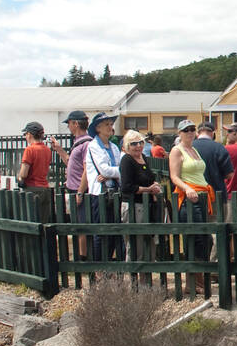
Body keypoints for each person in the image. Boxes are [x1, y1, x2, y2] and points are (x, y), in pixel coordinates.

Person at [167, 121, 211, 291]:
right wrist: (187, 189)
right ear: (180, 133)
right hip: (188, 199)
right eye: (186, 130)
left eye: (193, 129)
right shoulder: (177, 151)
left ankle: (199, 280)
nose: (190, 133)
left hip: (202, 196)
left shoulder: (195, 150)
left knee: (205, 240)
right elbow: (174, 176)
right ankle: (193, 282)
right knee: (194, 239)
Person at [84, 112, 125, 262]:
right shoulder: (93, 146)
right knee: (101, 232)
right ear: (98, 128)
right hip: (100, 194)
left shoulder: (113, 146)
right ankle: (100, 266)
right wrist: (115, 172)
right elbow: (105, 170)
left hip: (114, 192)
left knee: (116, 230)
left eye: (110, 124)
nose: (110, 127)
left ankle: (111, 264)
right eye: (106, 124)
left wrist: (112, 173)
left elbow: (116, 169)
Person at [51, 111, 91, 257]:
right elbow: (70, 163)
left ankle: (84, 258)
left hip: (81, 191)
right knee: (79, 225)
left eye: (69, 123)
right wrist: (60, 150)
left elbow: (87, 169)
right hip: (76, 190)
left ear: (76, 123)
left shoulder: (86, 143)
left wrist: (80, 191)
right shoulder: (79, 142)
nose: (68, 127)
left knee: (82, 227)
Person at [193, 122, 235, 227]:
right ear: (212, 134)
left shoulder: (189, 147)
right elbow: (229, 174)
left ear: (197, 133)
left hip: (193, 195)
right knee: (217, 230)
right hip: (216, 195)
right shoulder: (219, 148)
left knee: (197, 229)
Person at [117, 129, 163, 220]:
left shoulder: (143, 157)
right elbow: (126, 187)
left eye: (141, 142)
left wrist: (154, 185)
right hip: (133, 207)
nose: (138, 146)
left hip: (147, 205)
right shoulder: (127, 160)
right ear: (127, 146)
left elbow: (148, 178)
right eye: (134, 143)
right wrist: (149, 189)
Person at [18, 121, 54, 223]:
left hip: (32, 189)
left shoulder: (29, 150)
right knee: (43, 222)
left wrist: (19, 177)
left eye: (25, 134)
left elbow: (24, 173)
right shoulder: (47, 149)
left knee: (31, 223)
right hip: (45, 189)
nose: (25, 137)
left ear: (29, 134)